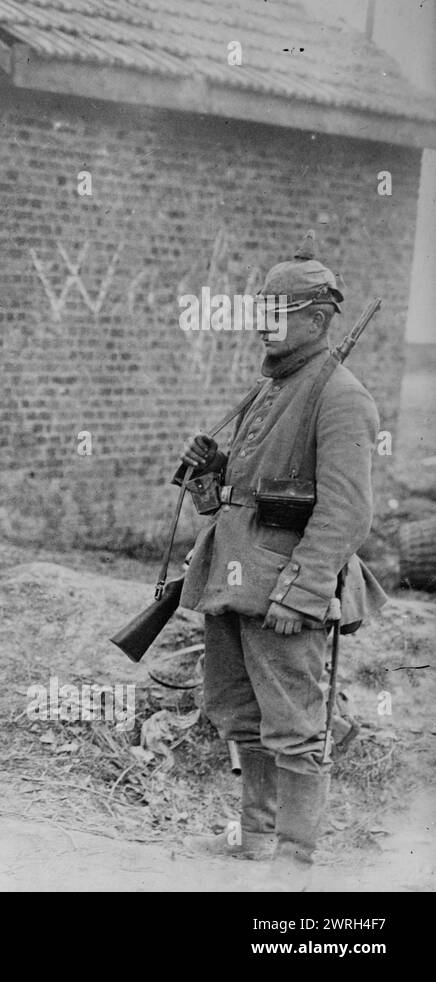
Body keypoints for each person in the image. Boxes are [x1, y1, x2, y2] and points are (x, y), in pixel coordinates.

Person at [177, 233, 387, 890]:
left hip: (282, 589)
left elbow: (347, 510)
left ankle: (296, 860)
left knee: (295, 726)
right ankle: (256, 839)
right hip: (234, 578)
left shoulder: (340, 395)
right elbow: (253, 491)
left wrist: (301, 591)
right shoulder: (270, 389)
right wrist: (212, 482)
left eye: (277, 312)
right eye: (260, 311)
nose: (263, 325)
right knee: (241, 714)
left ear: (315, 320)